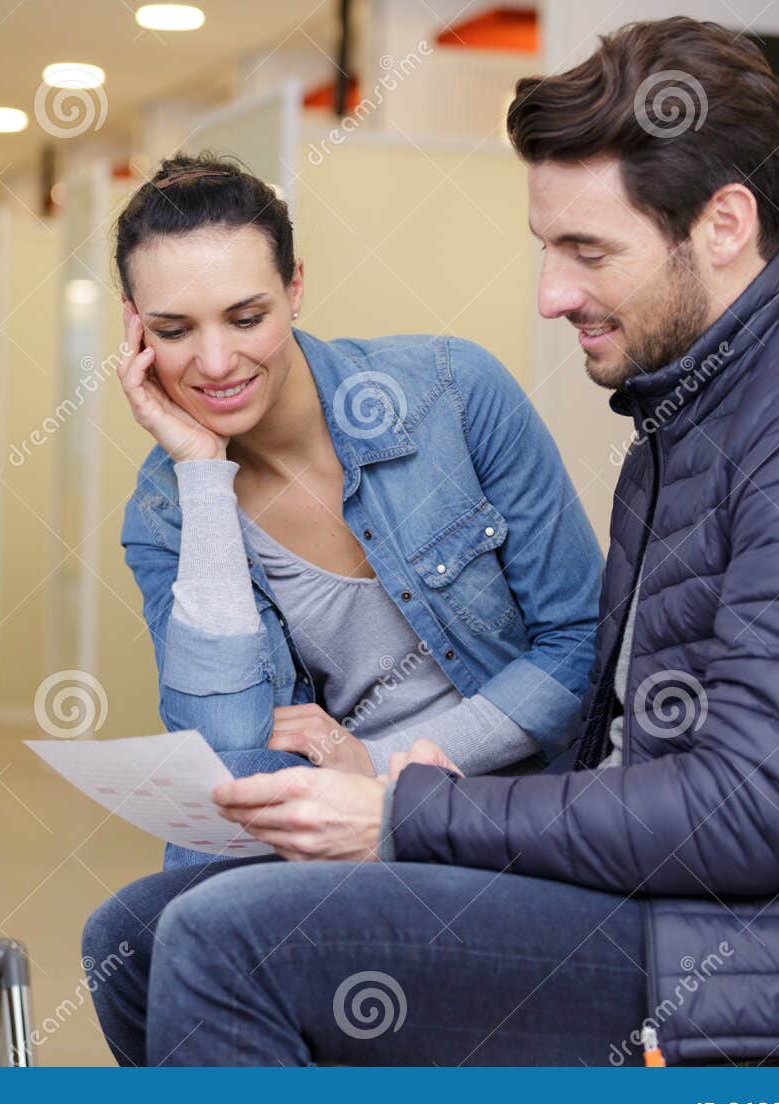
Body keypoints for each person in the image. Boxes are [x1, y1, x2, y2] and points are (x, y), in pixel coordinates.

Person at [84, 18, 779, 1066]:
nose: (551, 294)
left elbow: (751, 812)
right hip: (677, 898)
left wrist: (409, 811)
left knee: (226, 944)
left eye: (587, 251)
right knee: (136, 937)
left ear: (722, 224)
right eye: (548, 248)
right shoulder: (699, 405)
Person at [113, 153, 603, 874]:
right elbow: (226, 747)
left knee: (191, 919)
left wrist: (377, 769)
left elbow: (581, 641)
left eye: (246, 318)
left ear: (295, 286)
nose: (215, 363)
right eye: (174, 330)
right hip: (330, 830)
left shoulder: (452, 394)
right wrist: (203, 474)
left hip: (509, 804)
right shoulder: (166, 513)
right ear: (135, 327)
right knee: (132, 920)